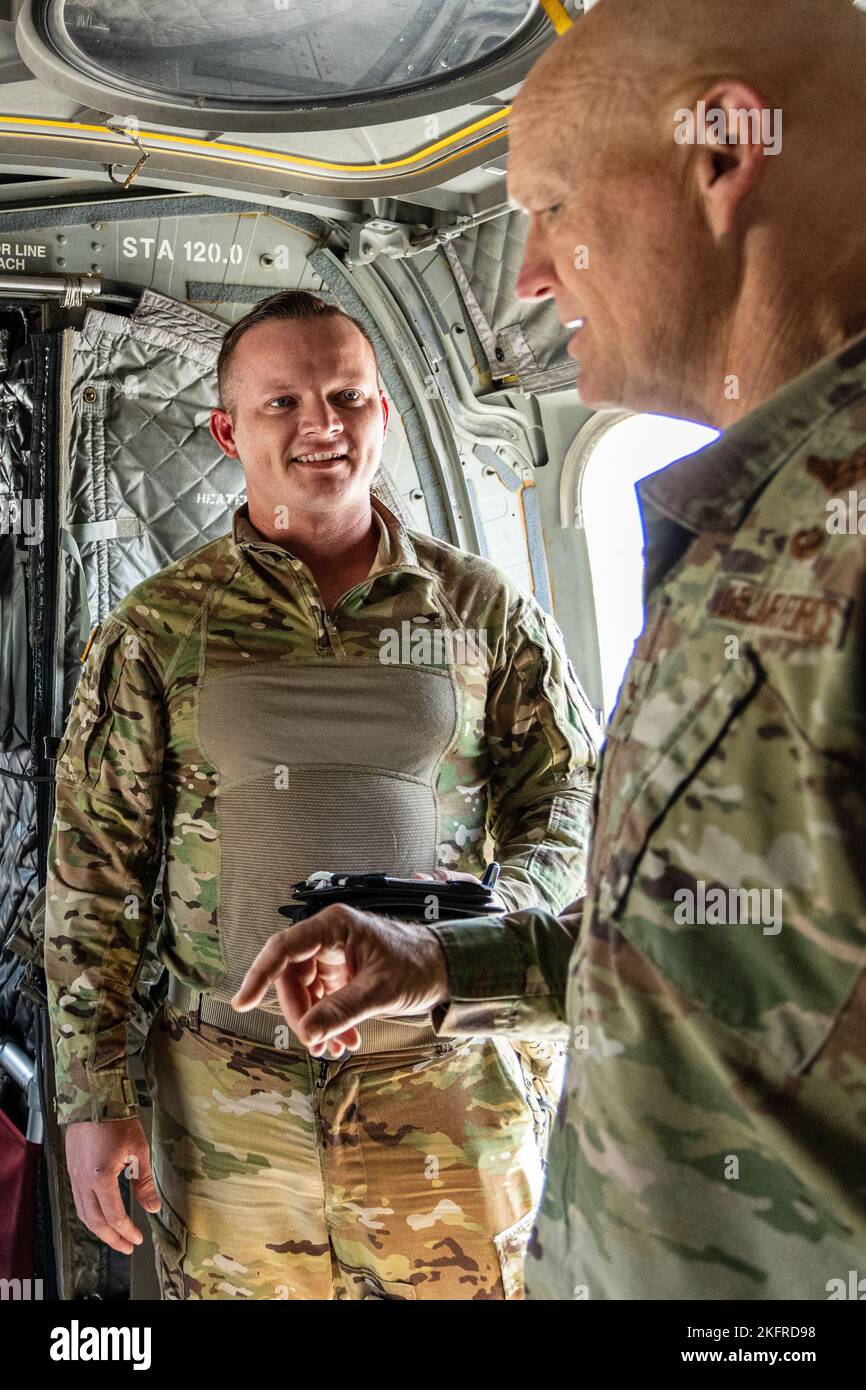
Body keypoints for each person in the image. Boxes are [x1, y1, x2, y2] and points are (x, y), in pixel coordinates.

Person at [234, 0, 866, 1300]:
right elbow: (740, 960)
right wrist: (447, 961)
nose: (526, 273)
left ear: (723, 152)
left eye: (554, 203)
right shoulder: (771, 507)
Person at [44, 290, 599, 1300]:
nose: (321, 425)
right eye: (283, 402)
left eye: (347, 396)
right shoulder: (158, 627)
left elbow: (569, 808)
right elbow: (95, 876)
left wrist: (474, 925)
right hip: (228, 1107)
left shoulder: (481, 610)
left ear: (383, 413)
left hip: (448, 1093)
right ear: (226, 431)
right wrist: (93, 1097)